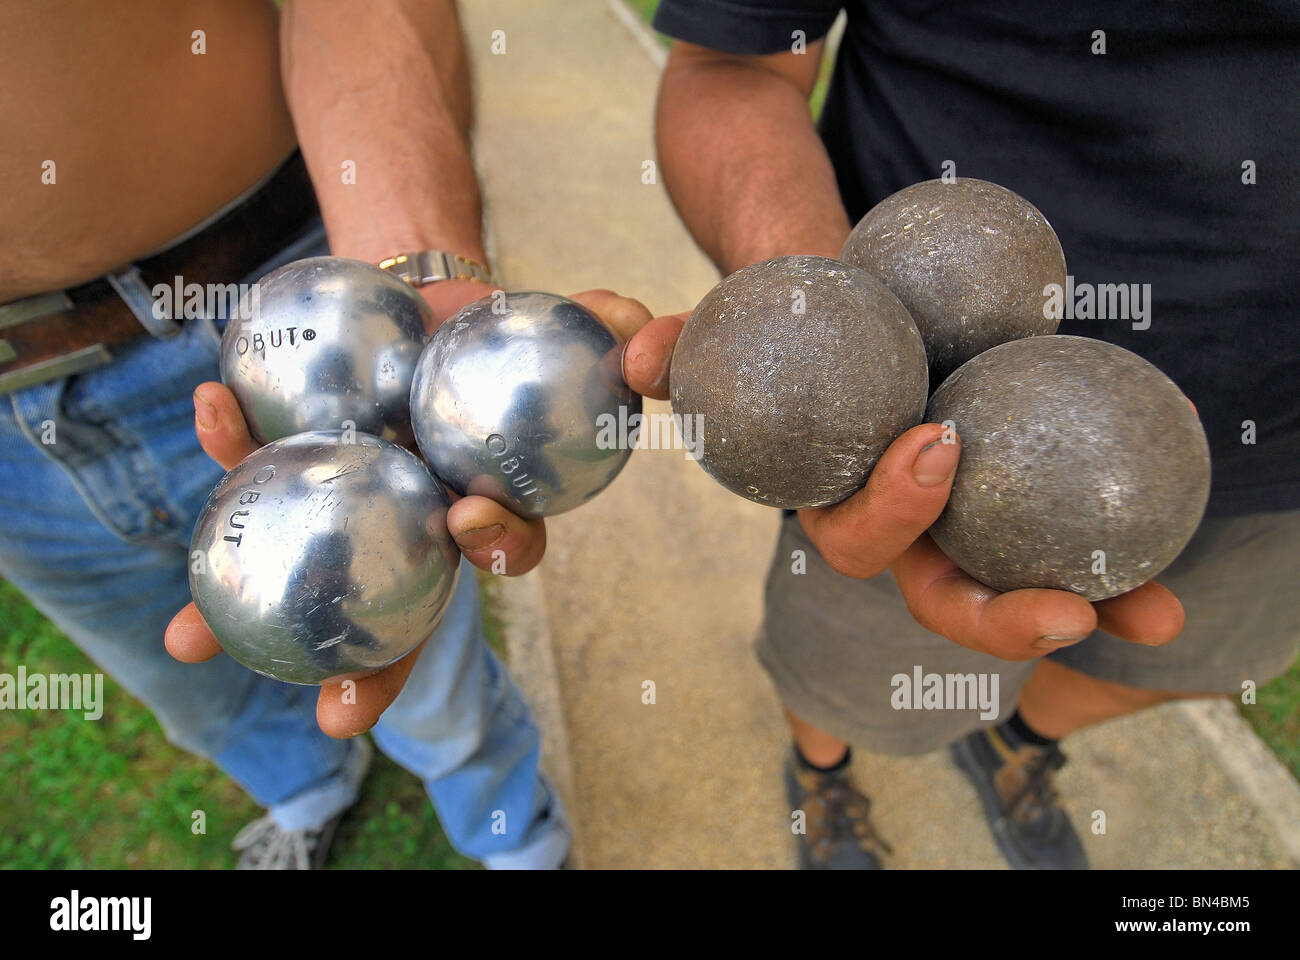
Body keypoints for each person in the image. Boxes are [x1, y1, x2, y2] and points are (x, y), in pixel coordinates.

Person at [0, 0, 671, 870]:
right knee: (187, 686)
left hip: (281, 291)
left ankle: (521, 839)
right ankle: (306, 789)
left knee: (431, 682)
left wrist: (419, 265)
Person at [650, 0, 1300, 868]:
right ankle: (821, 773)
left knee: (1185, 658)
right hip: (919, 459)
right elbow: (732, 65)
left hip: (1279, 434)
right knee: (846, 674)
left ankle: (1015, 744)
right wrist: (817, 309)